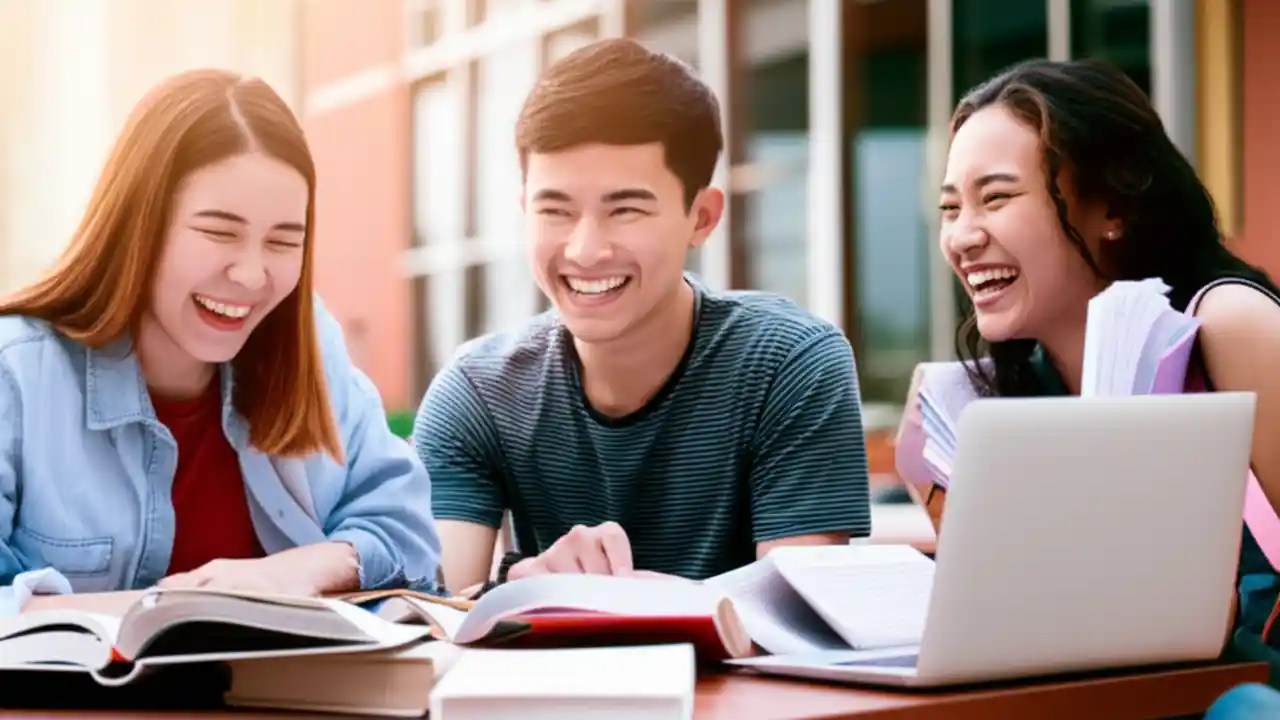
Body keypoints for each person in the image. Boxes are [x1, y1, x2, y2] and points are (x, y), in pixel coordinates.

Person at [414, 38, 870, 595]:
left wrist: (609, 597)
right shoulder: (479, 391)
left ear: (701, 217)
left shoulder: (790, 365)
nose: (584, 250)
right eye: (555, 210)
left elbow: (801, 614)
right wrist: (518, 583)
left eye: (625, 210)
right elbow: (433, 611)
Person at [0, 69, 441, 608]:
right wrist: (167, 610)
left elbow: (409, 535)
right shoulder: (16, 375)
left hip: (287, 694)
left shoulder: (309, 347)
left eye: (283, 241)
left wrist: (296, 572)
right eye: (219, 233)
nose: (253, 276)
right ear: (139, 225)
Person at [899, 58, 1280, 679]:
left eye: (996, 198)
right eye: (950, 208)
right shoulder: (974, 412)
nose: (963, 236)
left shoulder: (1228, 326)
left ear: (1112, 207)